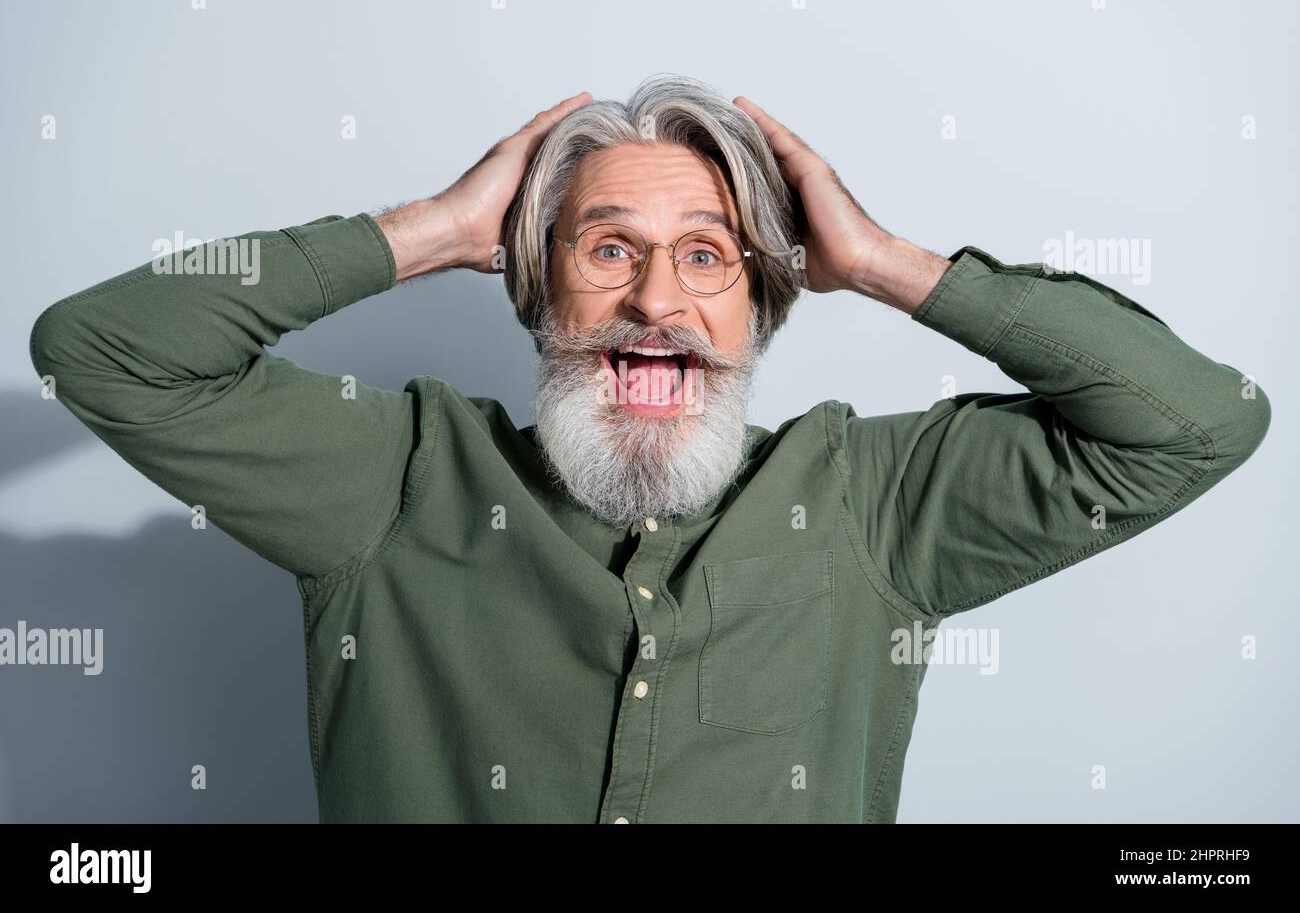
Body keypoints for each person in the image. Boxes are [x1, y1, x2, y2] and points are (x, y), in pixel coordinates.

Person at [29, 75, 1270, 823]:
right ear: (537, 290)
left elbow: (1200, 421)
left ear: (762, 304)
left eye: (708, 255)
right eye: (607, 248)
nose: (657, 303)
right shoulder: (390, 482)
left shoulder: (874, 504)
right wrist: (423, 229)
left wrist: (888, 264)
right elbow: (98, 348)